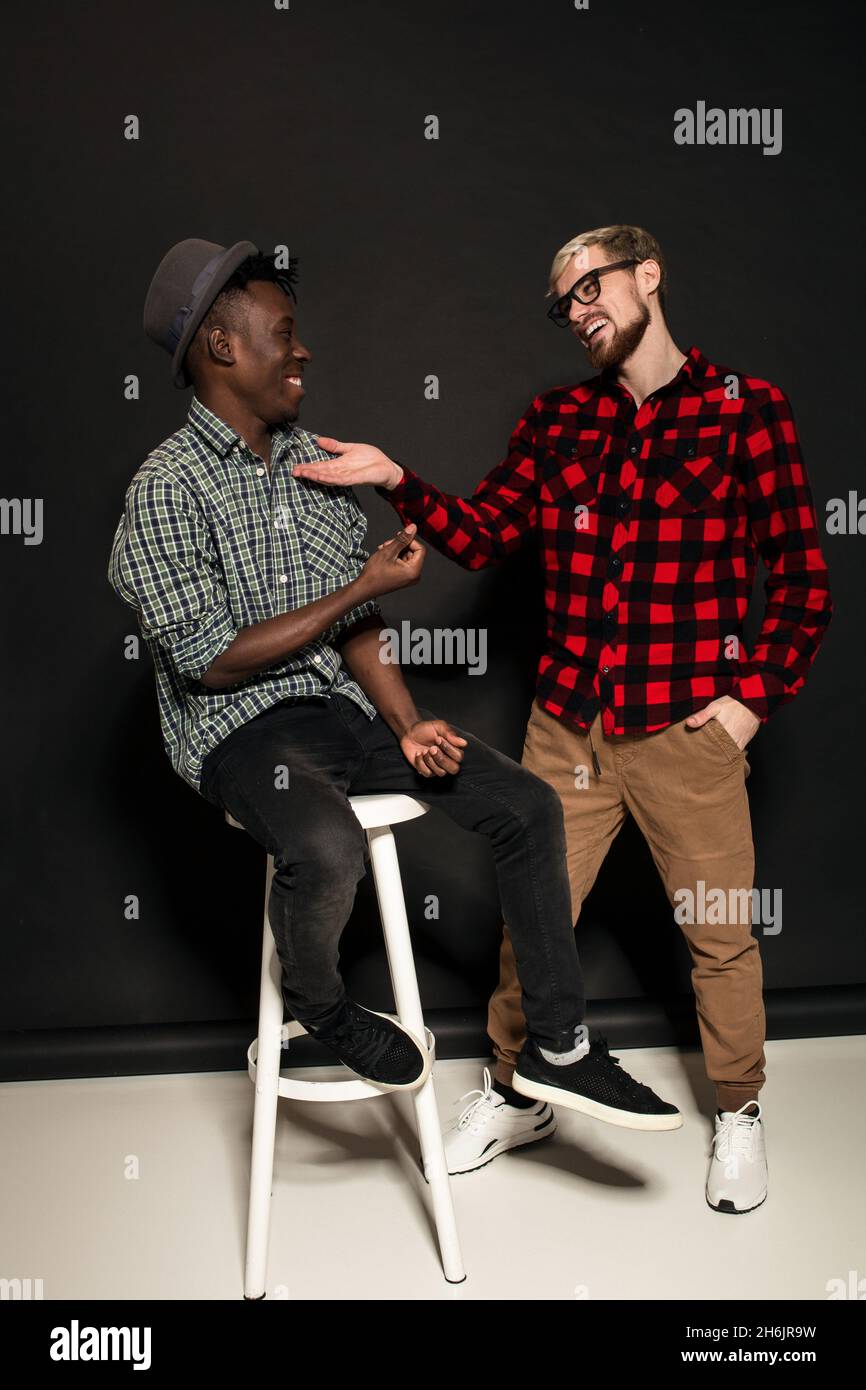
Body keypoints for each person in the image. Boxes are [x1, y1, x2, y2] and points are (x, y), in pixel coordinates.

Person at [290, 224, 833, 1211]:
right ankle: (516, 1091)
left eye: (589, 288)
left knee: (717, 935)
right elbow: (483, 531)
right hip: (567, 728)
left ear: (649, 275)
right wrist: (393, 479)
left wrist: (747, 706)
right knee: (531, 925)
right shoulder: (556, 419)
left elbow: (801, 575)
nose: (576, 311)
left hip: (686, 731)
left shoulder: (744, 411)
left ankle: (739, 1112)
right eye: (562, 304)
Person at [107, 236, 682, 1135]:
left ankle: (558, 1046)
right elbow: (210, 659)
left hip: (338, 717)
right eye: (284, 335)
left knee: (529, 806)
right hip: (241, 732)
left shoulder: (316, 466)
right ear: (222, 348)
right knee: (328, 846)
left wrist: (409, 723)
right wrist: (363, 584)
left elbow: (357, 631)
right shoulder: (165, 489)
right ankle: (321, 1005)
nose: (303, 353)